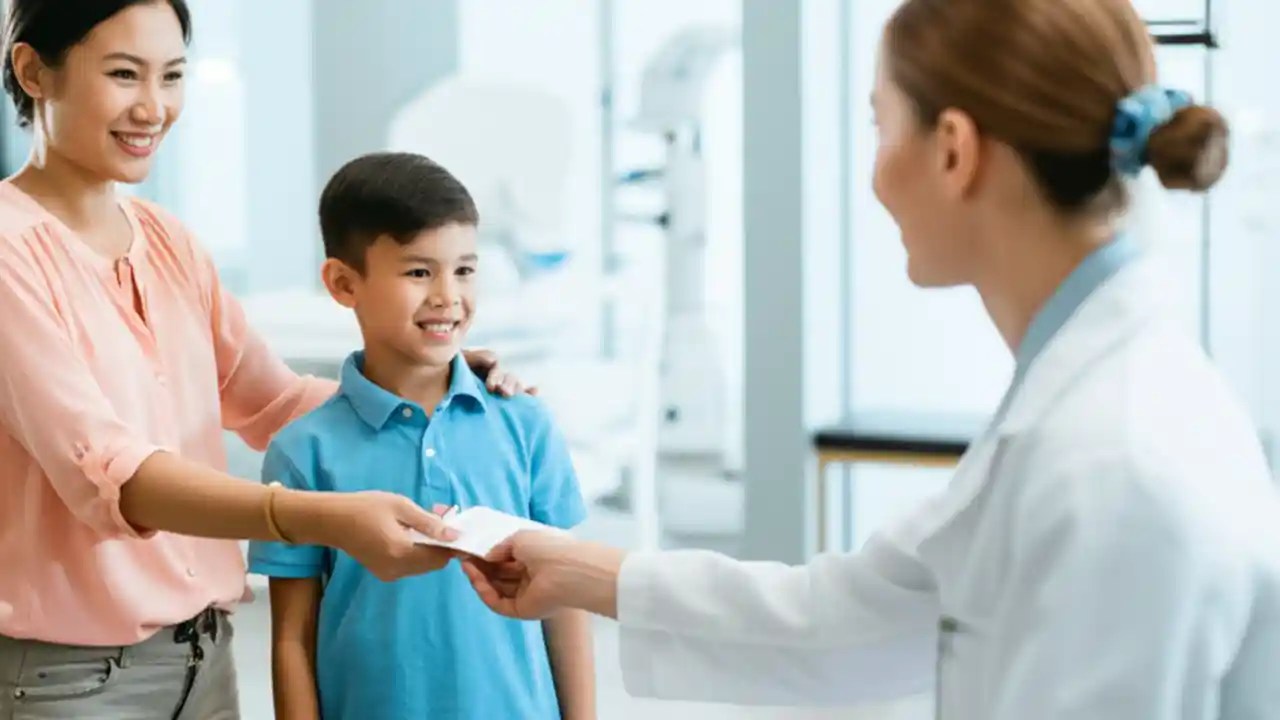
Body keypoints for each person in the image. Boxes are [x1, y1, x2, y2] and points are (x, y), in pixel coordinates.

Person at [463, 0, 1280, 717]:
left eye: (880, 126)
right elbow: (854, 616)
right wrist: (580, 569)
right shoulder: (1092, 403)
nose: (876, 175)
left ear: (954, 150)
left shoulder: (1110, 465)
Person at [0, 2, 527, 718]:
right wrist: (318, 517)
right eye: (124, 74)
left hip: (203, 661)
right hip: (67, 684)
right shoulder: (10, 254)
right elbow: (115, 474)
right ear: (34, 71)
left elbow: (273, 402)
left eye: (172, 76)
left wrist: (436, 389)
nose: (154, 108)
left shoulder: (168, 242)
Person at [247, 152, 595, 720]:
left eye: (464, 270)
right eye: (418, 272)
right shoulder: (304, 453)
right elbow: (292, 638)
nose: (447, 296)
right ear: (343, 283)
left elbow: (565, 602)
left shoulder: (525, 423)